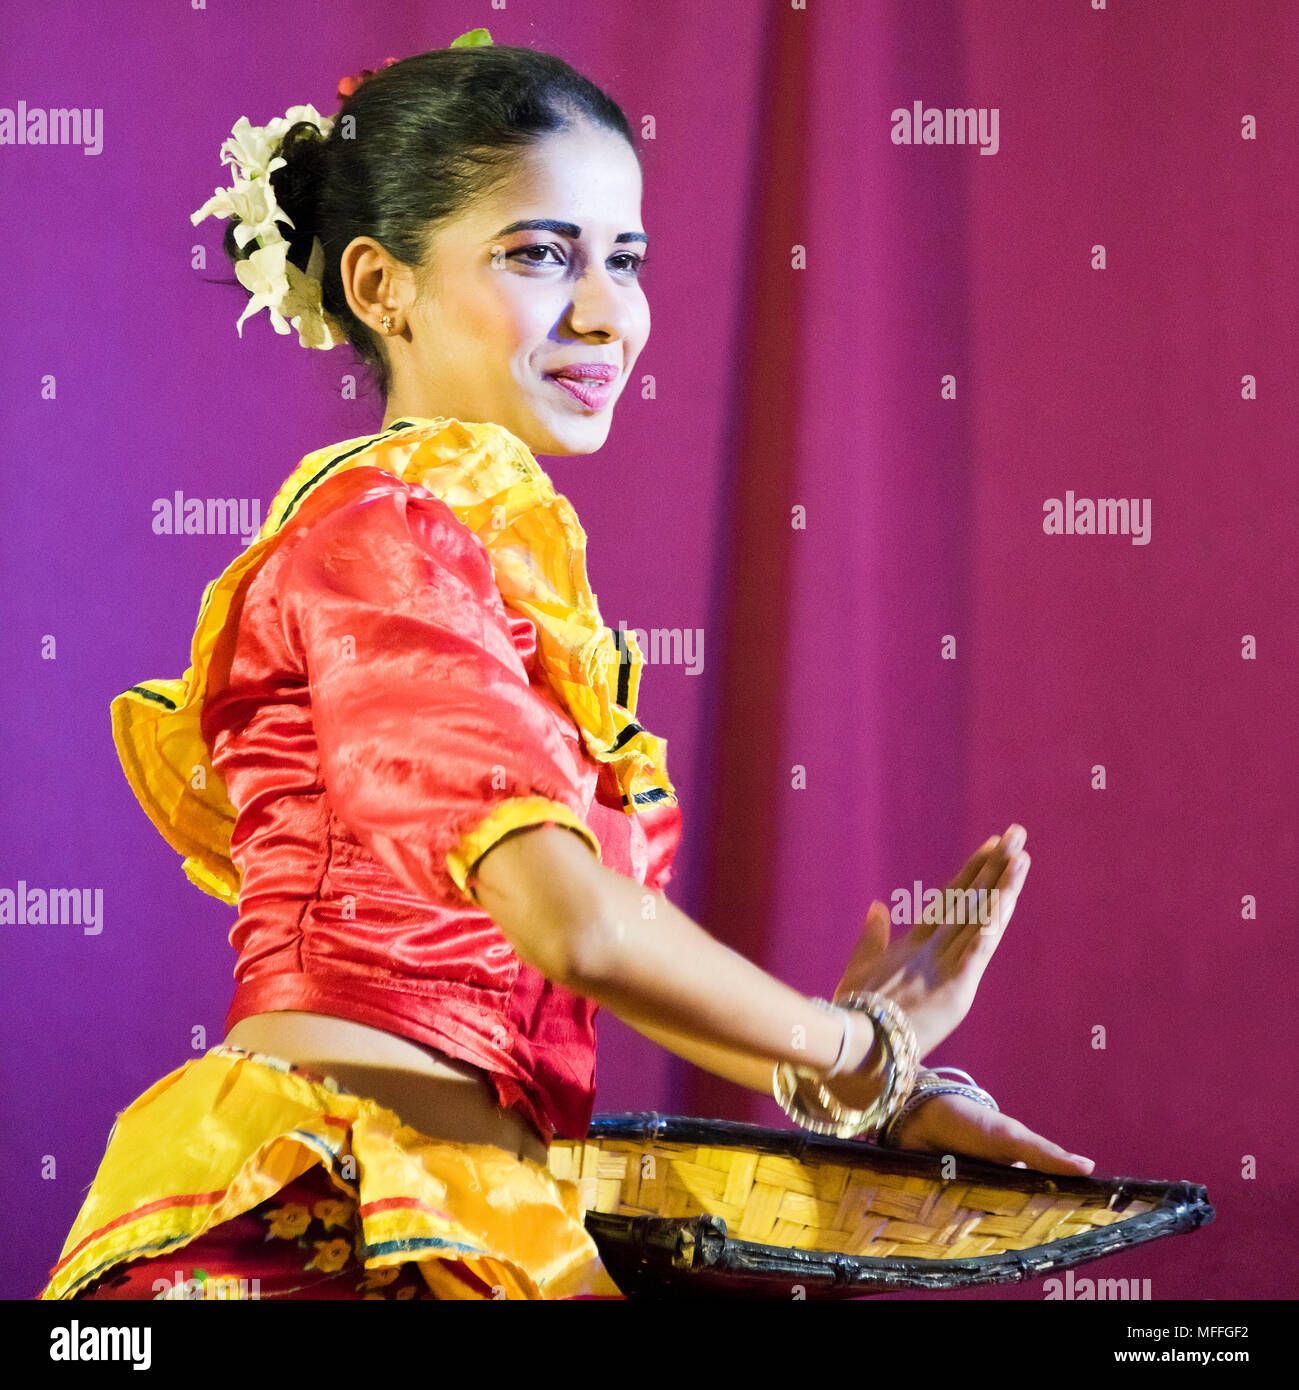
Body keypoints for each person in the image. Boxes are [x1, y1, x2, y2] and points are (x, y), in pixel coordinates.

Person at [40, 32, 1093, 1303]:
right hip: (332, 1215)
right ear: (381, 285)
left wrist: (846, 1076)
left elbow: (551, 952)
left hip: (461, 1204)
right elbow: (578, 920)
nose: (605, 310)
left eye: (626, 257)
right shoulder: (385, 534)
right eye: (541, 254)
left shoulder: (471, 548)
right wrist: (861, 1056)